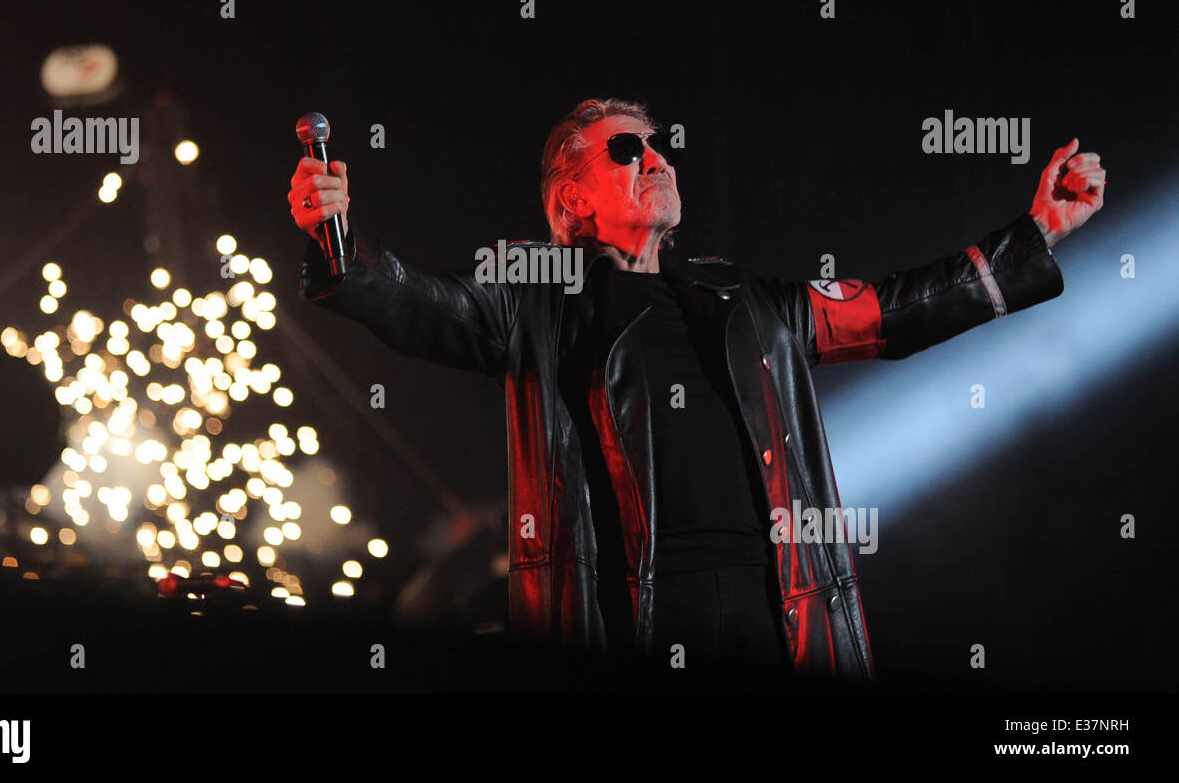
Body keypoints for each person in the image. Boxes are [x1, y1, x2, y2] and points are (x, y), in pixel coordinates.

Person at [287, 98, 1105, 680]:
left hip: (777, 609)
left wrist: (1035, 234)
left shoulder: (745, 300)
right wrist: (340, 242)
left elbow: (892, 309)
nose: (656, 157)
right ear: (572, 199)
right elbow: (423, 304)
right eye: (626, 150)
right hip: (635, 617)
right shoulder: (535, 302)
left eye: (658, 145)